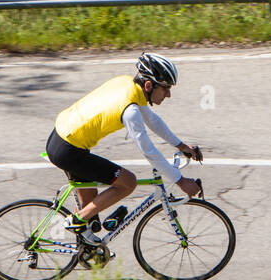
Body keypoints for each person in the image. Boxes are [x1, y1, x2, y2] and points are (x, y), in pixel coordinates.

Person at [45, 52, 203, 247]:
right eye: (166, 88)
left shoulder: (128, 84)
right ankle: (74, 221)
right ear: (148, 85)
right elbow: (149, 151)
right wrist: (180, 181)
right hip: (69, 150)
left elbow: (152, 119)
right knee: (128, 182)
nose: (168, 94)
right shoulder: (130, 111)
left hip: (61, 136)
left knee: (91, 219)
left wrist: (180, 145)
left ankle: (87, 250)